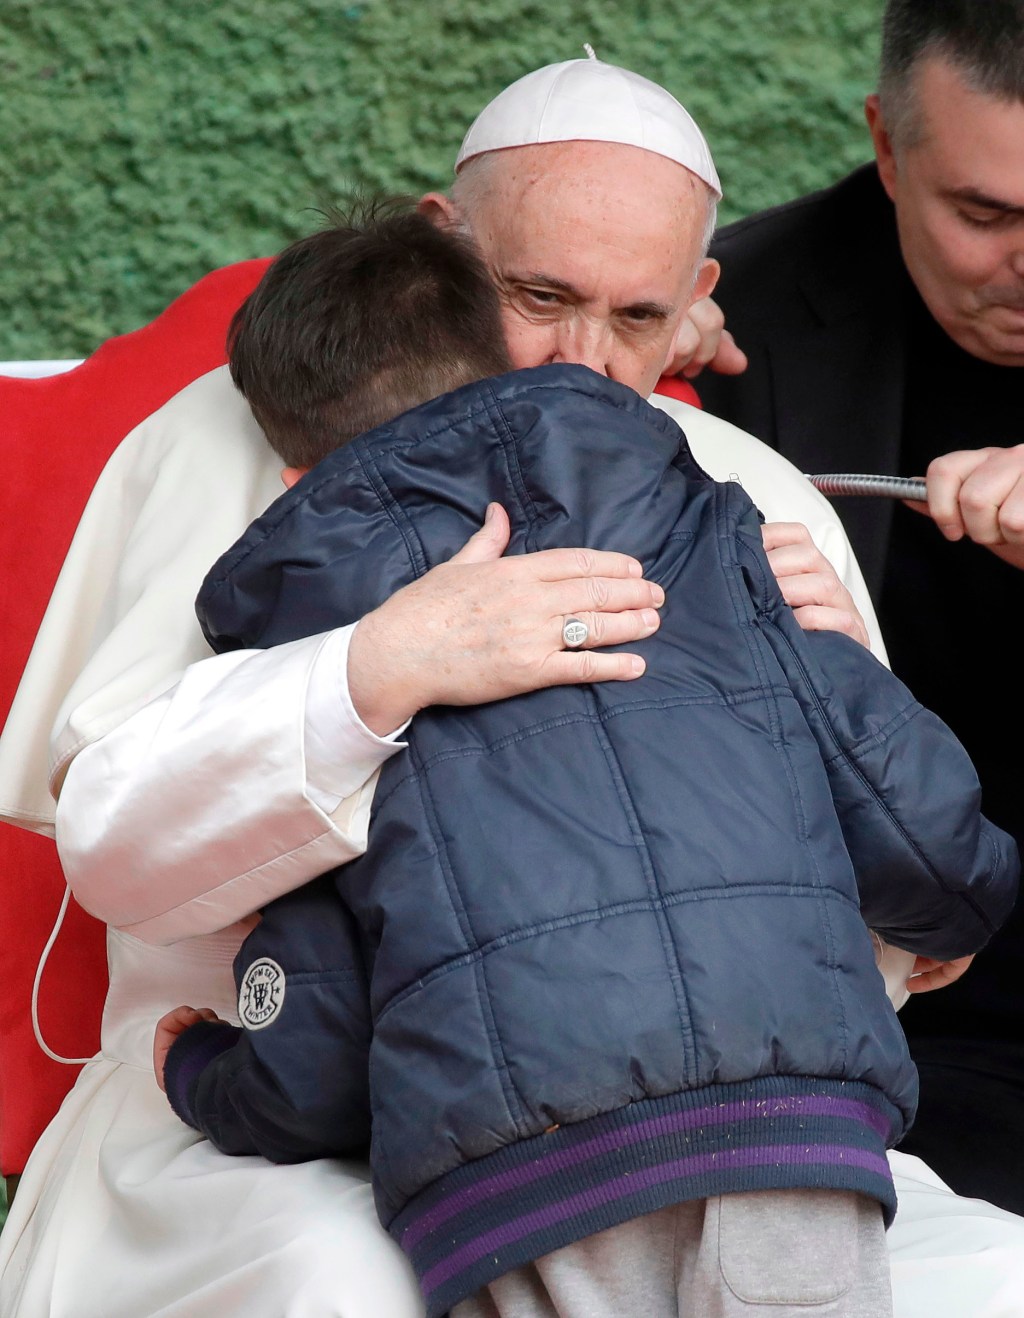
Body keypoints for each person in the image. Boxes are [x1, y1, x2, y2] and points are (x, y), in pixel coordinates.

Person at [1, 52, 1023, 1318]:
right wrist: (374, 672)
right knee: (344, 1289)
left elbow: (876, 913)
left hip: (728, 1119)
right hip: (281, 1117)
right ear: (446, 244)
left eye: (639, 317)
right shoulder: (237, 431)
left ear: (698, 299)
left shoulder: (735, 475)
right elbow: (117, 854)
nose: (583, 364)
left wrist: (897, 898)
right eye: (538, 295)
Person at [696, 0, 1024, 1213]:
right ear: (886, 148)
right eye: (985, 214)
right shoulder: (741, 324)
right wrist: (608, 375)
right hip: (862, 1011)